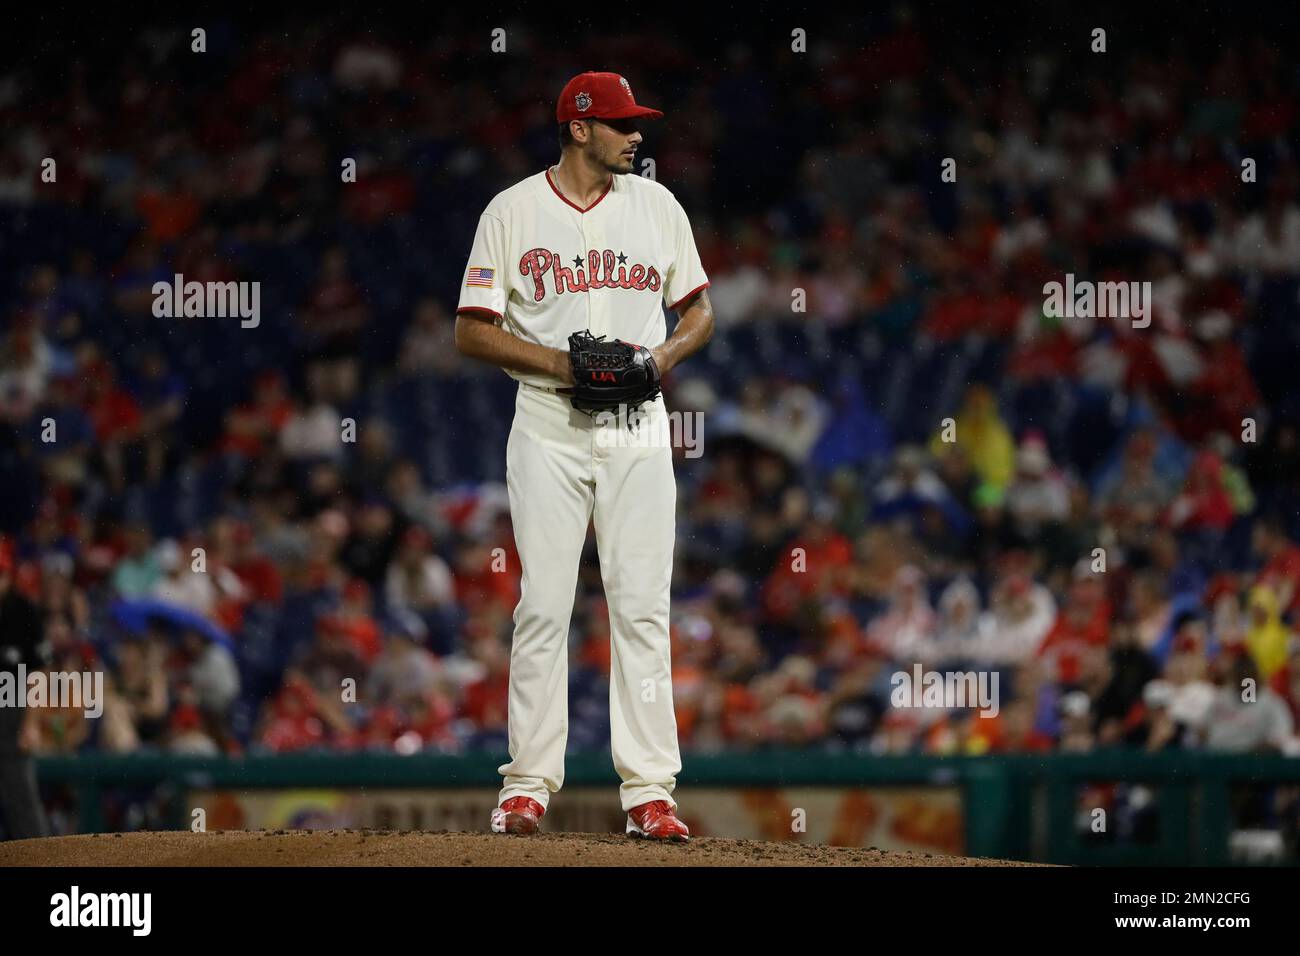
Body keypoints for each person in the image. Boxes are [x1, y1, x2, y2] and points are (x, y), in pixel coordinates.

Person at [454, 72, 713, 840]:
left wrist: (659, 360)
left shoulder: (658, 206)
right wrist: (563, 364)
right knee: (544, 605)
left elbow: (700, 311)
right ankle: (525, 787)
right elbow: (470, 329)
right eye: (623, 124)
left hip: (638, 424)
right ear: (579, 128)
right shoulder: (512, 210)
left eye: (639, 123)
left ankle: (650, 794)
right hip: (548, 424)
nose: (638, 135)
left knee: (641, 607)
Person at [0, 537, 51, 840]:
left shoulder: (23, 611)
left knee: (23, 803)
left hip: (12, 713)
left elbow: (38, 674)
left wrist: (31, 723)